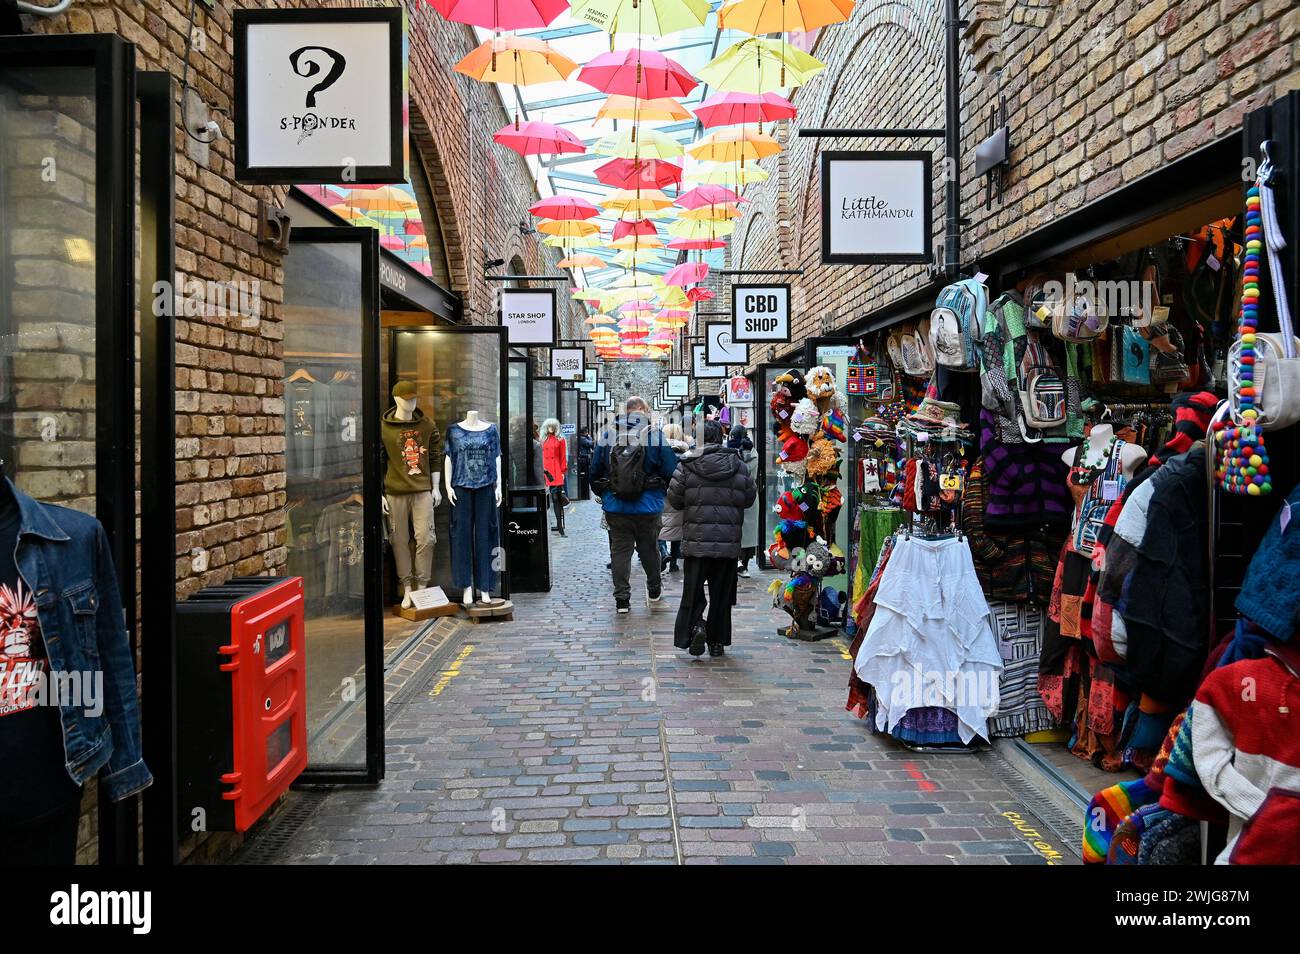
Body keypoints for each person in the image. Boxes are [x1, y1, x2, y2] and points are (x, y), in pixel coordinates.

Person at [668, 419, 756, 657]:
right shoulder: (738, 465)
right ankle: (717, 641)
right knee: (722, 593)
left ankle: (696, 626)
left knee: (693, 590)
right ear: (721, 437)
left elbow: (674, 500)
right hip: (728, 543)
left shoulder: (686, 465)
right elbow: (749, 499)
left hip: (696, 541)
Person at [589, 396, 680, 614]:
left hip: (615, 506)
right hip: (648, 506)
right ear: (641, 410)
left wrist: (606, 492)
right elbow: (671, 469)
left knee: (620, 551)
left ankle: (622, 600)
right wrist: (660, 491)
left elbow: (594, 472)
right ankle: (654, 590)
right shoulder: (654, 435)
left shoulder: (608, 435)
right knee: (649, 549)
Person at [727, 424, 760, 577]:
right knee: (748, 532)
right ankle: (744, 565)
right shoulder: (753, 452)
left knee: (733, 529)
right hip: (750, 494)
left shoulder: (729, 452)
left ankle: (735, 563)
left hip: (733, 493)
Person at [657, 422, 690, 573]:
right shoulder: (687, 453)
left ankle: (663, 552)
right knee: (677, 527)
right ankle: (674, 563)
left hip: (661, 494)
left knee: (659, 526)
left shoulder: (659, 451)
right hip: (679, 495)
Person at [541, 417, 567, 536]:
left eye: (553, 426)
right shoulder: (542, 440)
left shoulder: (560, 440)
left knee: (556, 498)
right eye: (549, 426)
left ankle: (559, 526)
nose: (551, 428)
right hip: (545, 470)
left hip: (555, 471)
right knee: (545, 499)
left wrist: (563, 471)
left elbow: (562, 457)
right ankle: (545, 525)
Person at [577, 427, 594, 498]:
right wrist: (589, 437)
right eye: (587, 432)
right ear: (585, 432)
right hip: (584, 459)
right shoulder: (582, 439)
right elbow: (591, 444)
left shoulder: (582, 438)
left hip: (584, 458)